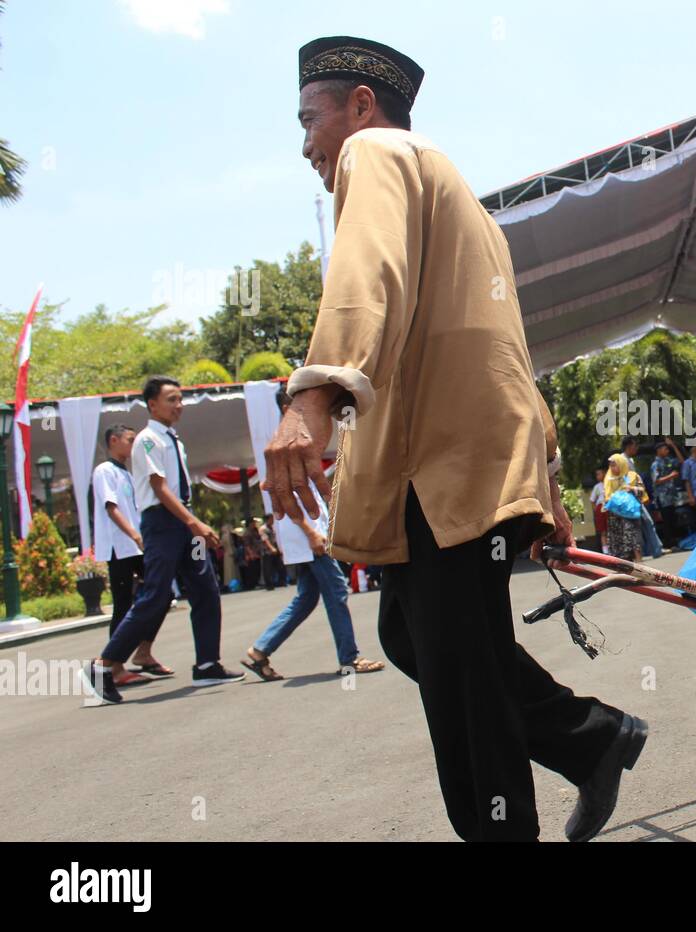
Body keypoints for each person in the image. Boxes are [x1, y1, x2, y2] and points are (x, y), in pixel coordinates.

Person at [264, 36, 646, 843]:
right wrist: (538, 470)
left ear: (361, 106)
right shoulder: (455, 194)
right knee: (418, 638)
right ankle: (593, 738)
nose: (306, 144)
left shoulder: (379, 150)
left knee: (460, 670)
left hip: (442, 468)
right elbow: (503, 347)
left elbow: (364, 275)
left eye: (309, 119)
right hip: (456, 462)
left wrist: (315, 394)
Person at [80, 376, 244, 704]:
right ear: (152, 404)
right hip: (163, 524)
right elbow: (159, 487)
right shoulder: (147, 440)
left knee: (206, 590)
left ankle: (208, 664)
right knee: (155, 595)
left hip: (182, 522)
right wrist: (193, 522)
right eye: (171, 399)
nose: (178, 405)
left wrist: (191, 522)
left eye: (180, 399)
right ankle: (103, 665)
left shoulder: (174, 440)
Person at [245, 392, 386, 680]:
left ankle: (260, 650)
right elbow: (286, 493)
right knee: (336, 590)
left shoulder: (294, 442)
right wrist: (310, 533)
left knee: (307, 597)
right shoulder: (285, 445)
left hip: (309, 536)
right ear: (288, 408)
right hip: (308, 538)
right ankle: (350, 659)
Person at [90, 425, 161, 688]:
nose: (134, 445)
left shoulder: (127, 473)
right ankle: (115, 668)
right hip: (120, 546)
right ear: (113, 440)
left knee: (161, 595)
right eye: (130, 440)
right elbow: (112, 508)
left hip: (137, 545)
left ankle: (144, 651)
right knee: (122, 604)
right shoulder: (104, 471)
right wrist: (134, 535)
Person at [622, 436, 663, 558]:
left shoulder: (630, 460)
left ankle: (654, 549)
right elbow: (624, 480)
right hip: (630, 497)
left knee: (644, 523)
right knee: (644, 523)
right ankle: (654, 550)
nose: (637, 448)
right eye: (635, 445)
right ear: (629, 446)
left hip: (635, 496)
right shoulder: (622, 460)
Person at [603, 453, 648, 561]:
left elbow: (642, 491)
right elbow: (606, 495)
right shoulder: (608, 478)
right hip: (615, 515)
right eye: (611, 465)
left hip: (630, 513)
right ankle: (623, 566)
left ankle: (639, 562)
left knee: (633, 536)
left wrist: (631, 488)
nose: (612, 468)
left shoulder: (632, 476)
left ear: (622, 464)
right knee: (617, 540)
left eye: (615, 465)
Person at [650, 439, 690, 545]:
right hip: (662, 498)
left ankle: (676, 542)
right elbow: (656, 480)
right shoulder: (655, 464)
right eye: (665, 448)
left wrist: (673, 446)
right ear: (658, 450)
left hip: (672, 497)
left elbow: (682, 462)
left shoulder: (668, 461)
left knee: (673, 520)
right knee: (667, 521)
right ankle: (669, 543)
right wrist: (671, 476)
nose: (667, 450)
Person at [590, 464, 609, 553]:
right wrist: (596, 510)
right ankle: (606, 551)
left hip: (609, 507)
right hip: (600, 509)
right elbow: (592, 500)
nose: (598, 476)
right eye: (596, 474)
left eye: (599, 474)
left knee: (611, 529)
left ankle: (613, 549)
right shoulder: (597, 487)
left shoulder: (610, 483)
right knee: (603, 531)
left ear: (605, 473)